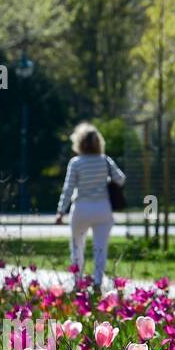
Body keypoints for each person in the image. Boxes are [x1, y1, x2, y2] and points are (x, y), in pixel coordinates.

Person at [55, 122, 126, 288]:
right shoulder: (105, 161)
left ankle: (77, 282)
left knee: (77, 247)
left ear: (78, 142)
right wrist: (105, 180)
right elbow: (121, 179)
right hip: (102, 209)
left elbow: (68, 188)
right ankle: (98, 282)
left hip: (81, 209)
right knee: (100, 248)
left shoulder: (76, 163)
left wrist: (60, 211)